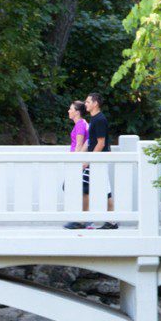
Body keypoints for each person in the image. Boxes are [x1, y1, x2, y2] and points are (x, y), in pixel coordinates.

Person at [82, 92, 117, 229]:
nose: (86, 104)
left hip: (98, 160)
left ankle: (84, 220)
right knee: (105, 190)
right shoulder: (94, 119)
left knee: (84, 187)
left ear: (95, 103)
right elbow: (92, 141)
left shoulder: (100, 119)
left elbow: (101, 143)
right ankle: (111, 221)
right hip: (97, 159)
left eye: (88, 102)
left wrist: (89, 160)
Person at [64, 101, 89, 229]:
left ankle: (81, 220)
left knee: (74, 188)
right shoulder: (81, 123)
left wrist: (75, 161)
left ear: (77, 112)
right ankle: (81, 219)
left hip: (79, 162)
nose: (69, 111)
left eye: (70, 109)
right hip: (80, 161)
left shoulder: (80, 124)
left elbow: (79, 144)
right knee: (79, 190)